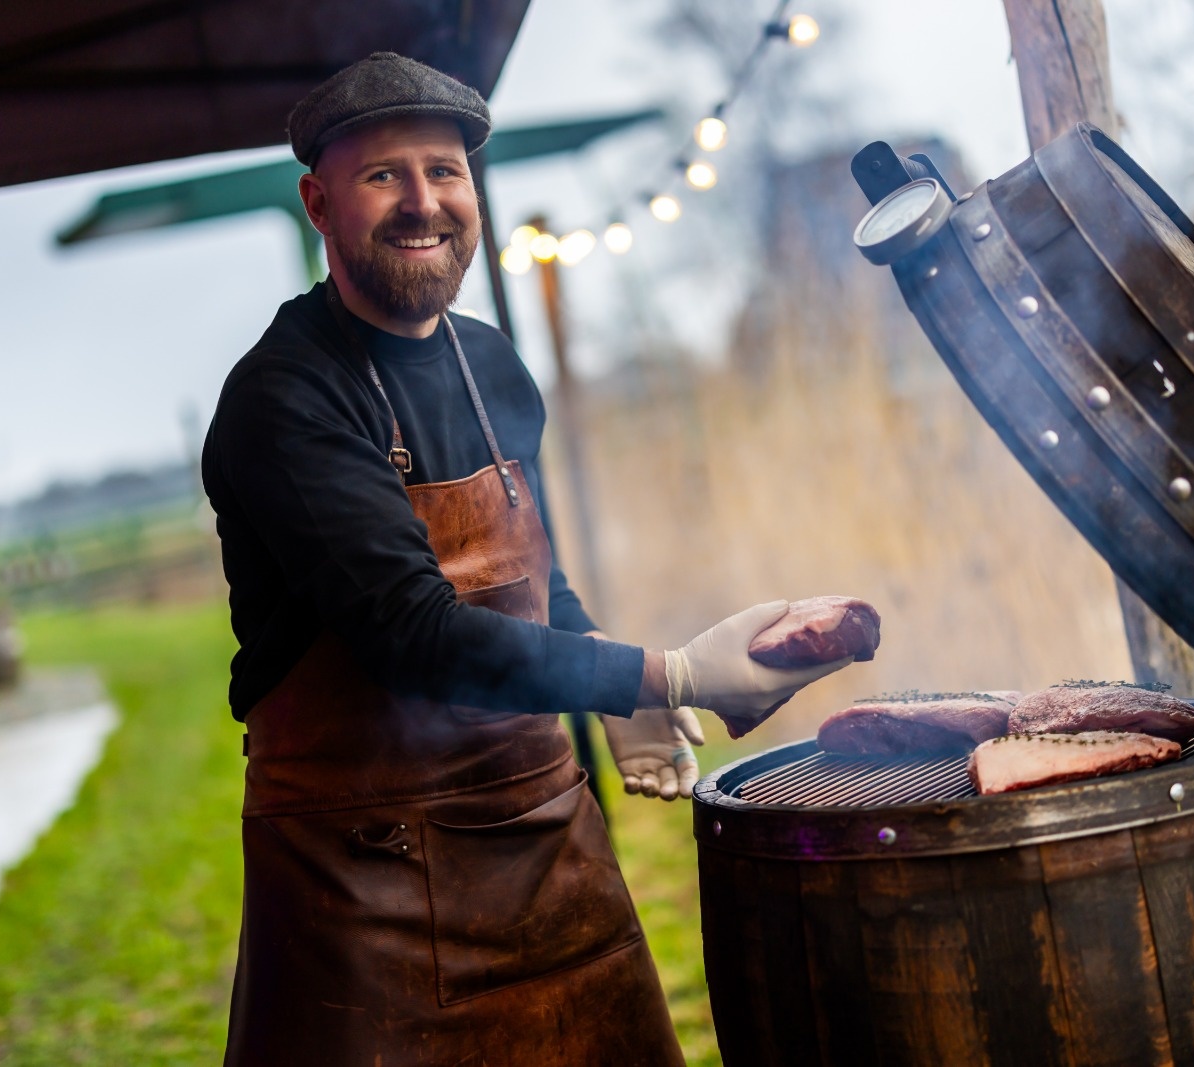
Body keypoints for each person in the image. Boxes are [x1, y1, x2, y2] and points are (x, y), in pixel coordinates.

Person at [202, 52, 853, 1066]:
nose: (424, 203)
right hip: (362, 881)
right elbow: (411, 634)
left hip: (546, 845)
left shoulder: (490, 360)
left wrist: (610, 684)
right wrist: (668, 673)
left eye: (445, 171)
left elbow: (529, 578)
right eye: (385, 176)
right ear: (317, 203)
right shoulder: (286, 396)